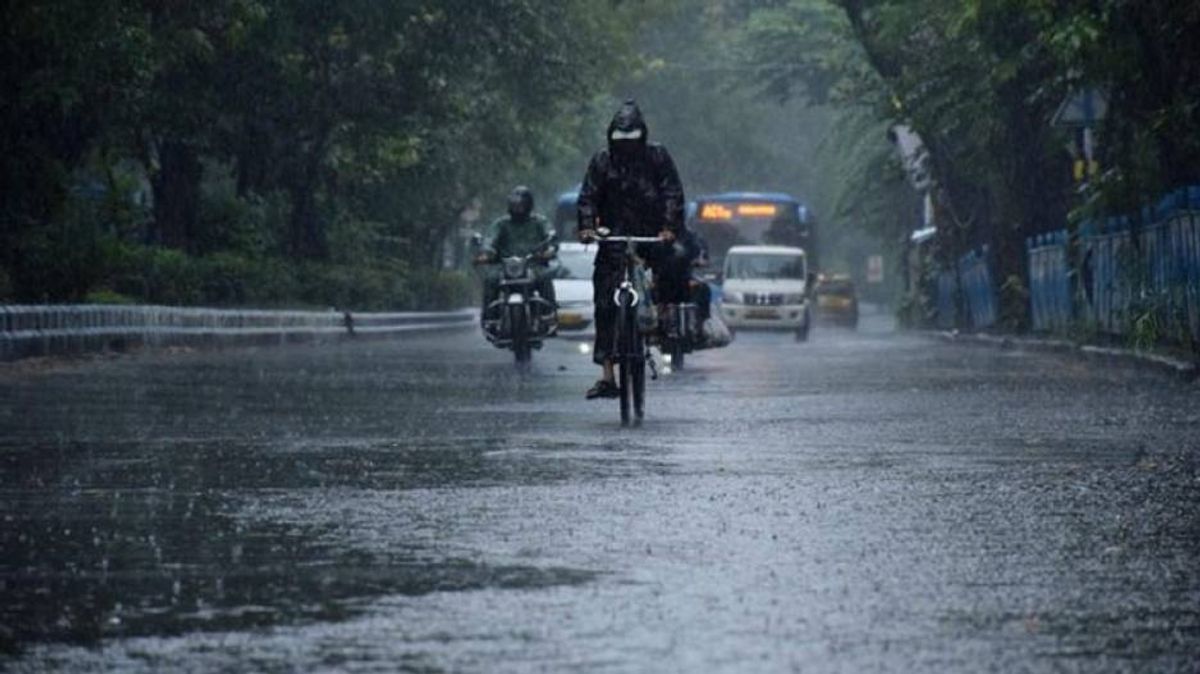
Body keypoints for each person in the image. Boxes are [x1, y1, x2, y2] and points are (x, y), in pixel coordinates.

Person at [577, 99, 686, 399]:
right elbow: (588, 197)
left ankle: (667, 321)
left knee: (675, 263)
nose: (626, 146)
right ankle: (608, 375)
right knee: (603, 301)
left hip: (652, 236)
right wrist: (587, 227)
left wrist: (669, 228)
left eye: (631, 139)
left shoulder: (658, 157)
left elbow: (672, 193)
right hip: (612, 239)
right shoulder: (601, 161)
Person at [476, 186, 558, 331]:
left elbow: (550, 236)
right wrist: (486, 252)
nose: (517, 209)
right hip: (505, 266)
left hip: (533, 265)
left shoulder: (540, 222)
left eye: (520, 205)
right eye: (514, 206)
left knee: (545, 277)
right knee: (490, 280)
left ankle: (548, 314)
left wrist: (549, 250)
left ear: (528, 205)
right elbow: (490, 238)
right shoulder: (501, 224)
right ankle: (491, 317)